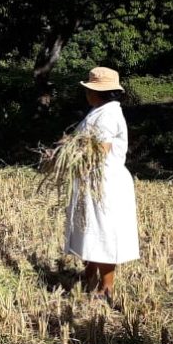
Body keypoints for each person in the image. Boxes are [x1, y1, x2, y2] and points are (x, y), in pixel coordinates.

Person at [63, 67, 140, 302]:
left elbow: (100, 150)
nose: (87, 93)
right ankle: (89, 275)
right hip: (90, 178)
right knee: (90, 229)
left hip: (103, 181)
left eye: (89, 89)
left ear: (96, 92)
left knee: (104, 231)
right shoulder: (98, 111)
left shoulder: (108, 115)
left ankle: (107, 288)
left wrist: (70, 155)